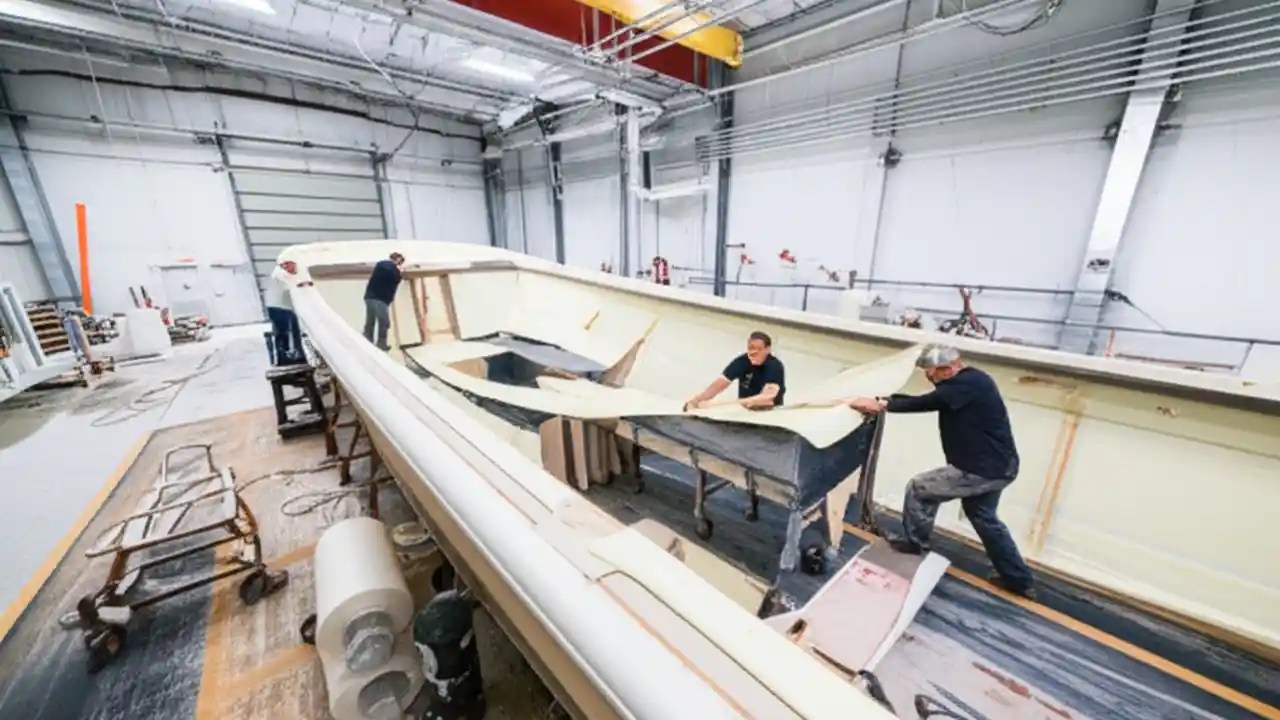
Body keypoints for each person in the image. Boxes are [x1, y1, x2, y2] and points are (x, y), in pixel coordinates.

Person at [846, 344, 1036, 599]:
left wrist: (882, 404)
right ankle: (1018, 579)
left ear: (947, 369)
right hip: (998, 466)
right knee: (983, 516)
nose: (928, 378)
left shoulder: (967, 385)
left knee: (920, 488)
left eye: (930, 373)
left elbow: (927, 401)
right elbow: (930, 398)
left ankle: (916, 545)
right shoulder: (973, 380)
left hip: (981, 469)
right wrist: (884, 400)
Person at [684, 331, 786, 411]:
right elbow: (719, 384)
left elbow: (767, 398)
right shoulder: (742, 361)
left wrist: (727, 404)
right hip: (744, 409)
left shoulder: (774, 366)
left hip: (769, 410)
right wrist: (696, 401)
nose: (754, 352)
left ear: (767, 350)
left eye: (759, 349)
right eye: (751, 348)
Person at [363, 252, 405, 351]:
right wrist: (399, 272)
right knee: (384, 321)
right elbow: (394, 277)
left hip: (372, 297)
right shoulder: (386, 265)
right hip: (379, 299)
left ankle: (367, 341)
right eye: (400, 262)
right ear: (397, 259)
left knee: (371, 321)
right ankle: (381, 344)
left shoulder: (382, 265)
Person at [265, 260, 304, 365]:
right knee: (283, 332)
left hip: (280, 306)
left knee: (285, 331)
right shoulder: (281, 273)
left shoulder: (281, 271)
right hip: (279, 307)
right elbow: (291, 286)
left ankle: (289, 354)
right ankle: (284, 357)